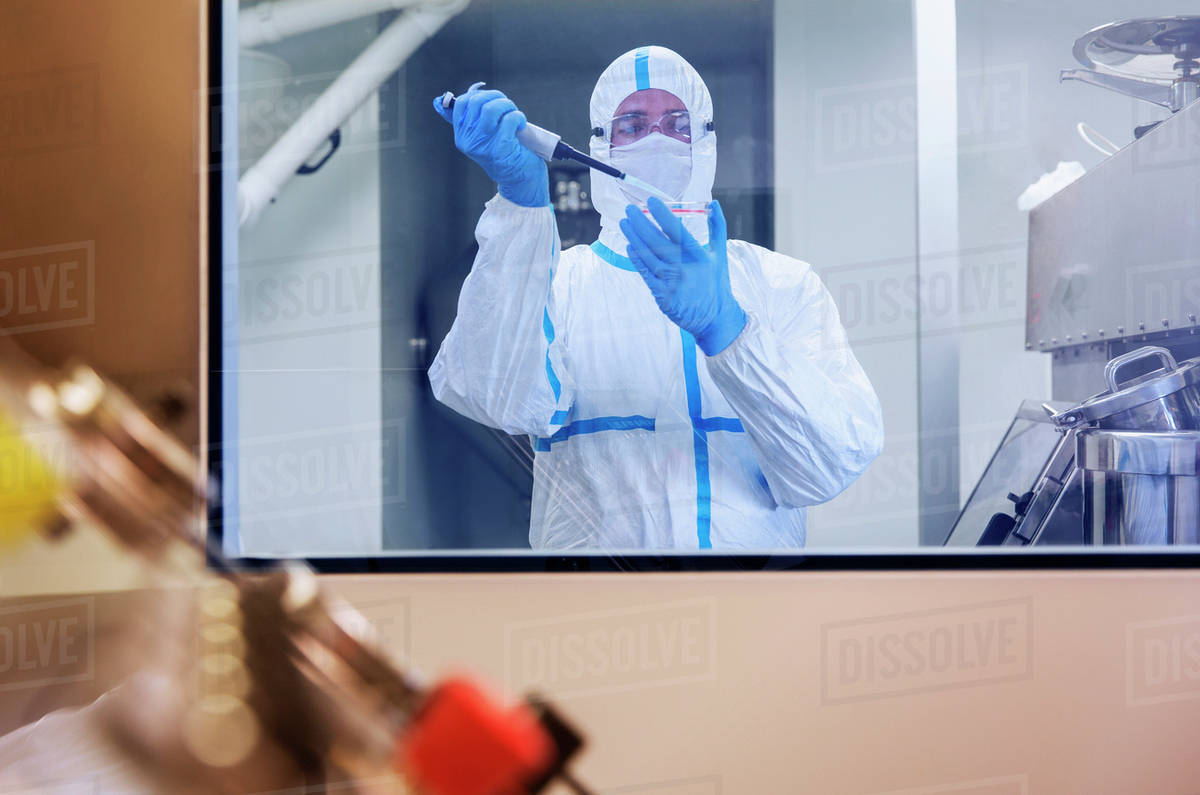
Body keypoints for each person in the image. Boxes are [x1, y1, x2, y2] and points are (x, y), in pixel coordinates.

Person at [429, 45, 883, 550]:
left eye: (677, 123)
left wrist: (727, 329)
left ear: (706, 140)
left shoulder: (782, 285)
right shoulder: (559, 285)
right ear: (600, 145)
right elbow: (496, 398)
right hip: (603, 616)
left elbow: (827, 468)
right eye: (632, 125)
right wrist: (518, 202)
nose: (657, 140)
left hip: (755, 609)